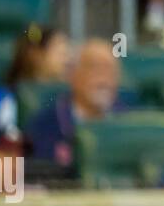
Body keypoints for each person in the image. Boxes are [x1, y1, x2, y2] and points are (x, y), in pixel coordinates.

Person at [26, 38, 123, 182]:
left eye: (110, 70)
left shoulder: (131, 122)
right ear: (73, 74)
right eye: (94, 67)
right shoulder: (45, 125)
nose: (104, 77)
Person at [0, 24, 70, 151]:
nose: (67, 60)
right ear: (36, 55)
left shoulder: (66, 99)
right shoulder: (3, 100)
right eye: (61, 53)